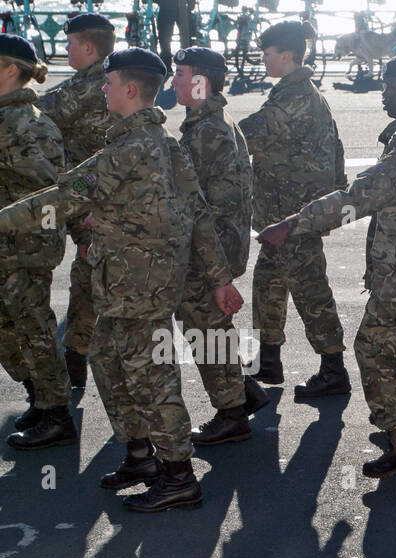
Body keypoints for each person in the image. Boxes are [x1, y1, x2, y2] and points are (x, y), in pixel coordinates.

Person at [0, 47, 244, 511]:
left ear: (130, 90)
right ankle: (140, 455)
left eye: (108, 84)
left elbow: (61, 198)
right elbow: (199, 215)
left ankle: (178, 476)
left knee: (152, 378)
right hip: (125, 286)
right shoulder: (164, 143)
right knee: (106, 361)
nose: (102, 90)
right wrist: (218, 277)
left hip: (139, 288)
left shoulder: (129, 150)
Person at [258, 53, 396, 508]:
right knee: (372, 350)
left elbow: (356, 198)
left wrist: (292, 225)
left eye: (390, 84)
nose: (383, 91)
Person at [239, 19, 350, 399]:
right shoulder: (301, 92)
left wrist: (208, 126)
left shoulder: (292, 99)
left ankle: (333, 367)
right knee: (267, 284)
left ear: (286, 56)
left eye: (267, 54)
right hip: (284, 216)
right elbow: (337, 150)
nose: (263, 60)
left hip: (293, 217)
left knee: (310, 290)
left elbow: (243, 138)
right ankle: (269, 357)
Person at [172, 45, 271, 446]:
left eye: (180, 74)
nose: (173, 82)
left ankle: (231, 414)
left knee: (205, 329)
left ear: (201, 81)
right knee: (212, 326)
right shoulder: (210, 123)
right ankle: (243, 392)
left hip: (208, 249)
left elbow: (198, 207)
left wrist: (215, 271)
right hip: (219, 245)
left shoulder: (206, 132)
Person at [0, 33, 75, 450]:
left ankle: (57, 413)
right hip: (7, 246)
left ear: (11, 69)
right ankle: (39, 397)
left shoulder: (26, 122)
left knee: (34, 328)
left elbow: (53, 189)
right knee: (8, 329)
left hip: (24, 248)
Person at [36, 12, 115, 391]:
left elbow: (38, 113)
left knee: (86, 282)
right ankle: (78, 360)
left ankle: (76, 362)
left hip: (89, 202)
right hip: (90, 198)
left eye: (70, 44)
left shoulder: (88, 86)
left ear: (88, 47)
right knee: (88, 282)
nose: (65, 50)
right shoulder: (105, 79)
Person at [154, 0, 195, 70]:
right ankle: (185, 62)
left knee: (165, 38)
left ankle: (168, 64)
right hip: (180, 6)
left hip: (168, 6)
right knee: (186, 36)